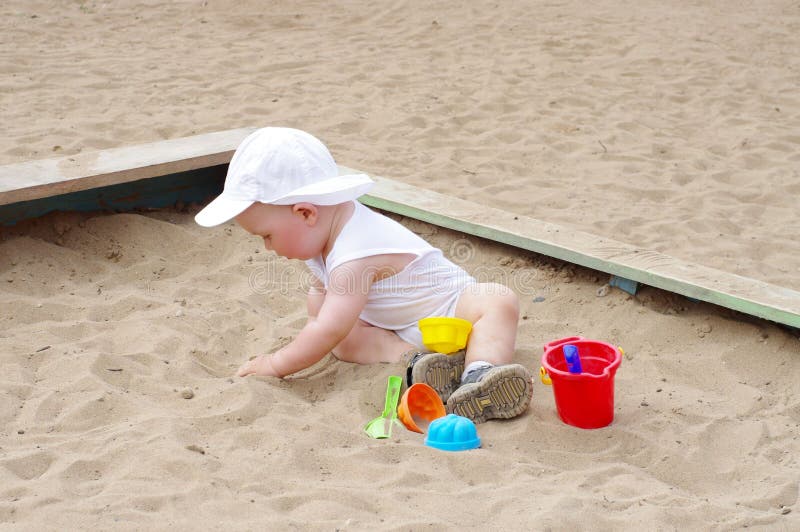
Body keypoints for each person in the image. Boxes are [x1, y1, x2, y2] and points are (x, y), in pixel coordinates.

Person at [195, 127, 532, 423]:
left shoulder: (354, 250)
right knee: (343, 341)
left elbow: (326, 327)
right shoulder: (320, 237)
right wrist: (318, 322)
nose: (268, 247)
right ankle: (418, 362)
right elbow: (320, 309)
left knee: (497, 299)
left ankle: (480, 373)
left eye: (267, 235)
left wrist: (276, 364)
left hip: (453, 312)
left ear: (306, 213)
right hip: (401, 330)